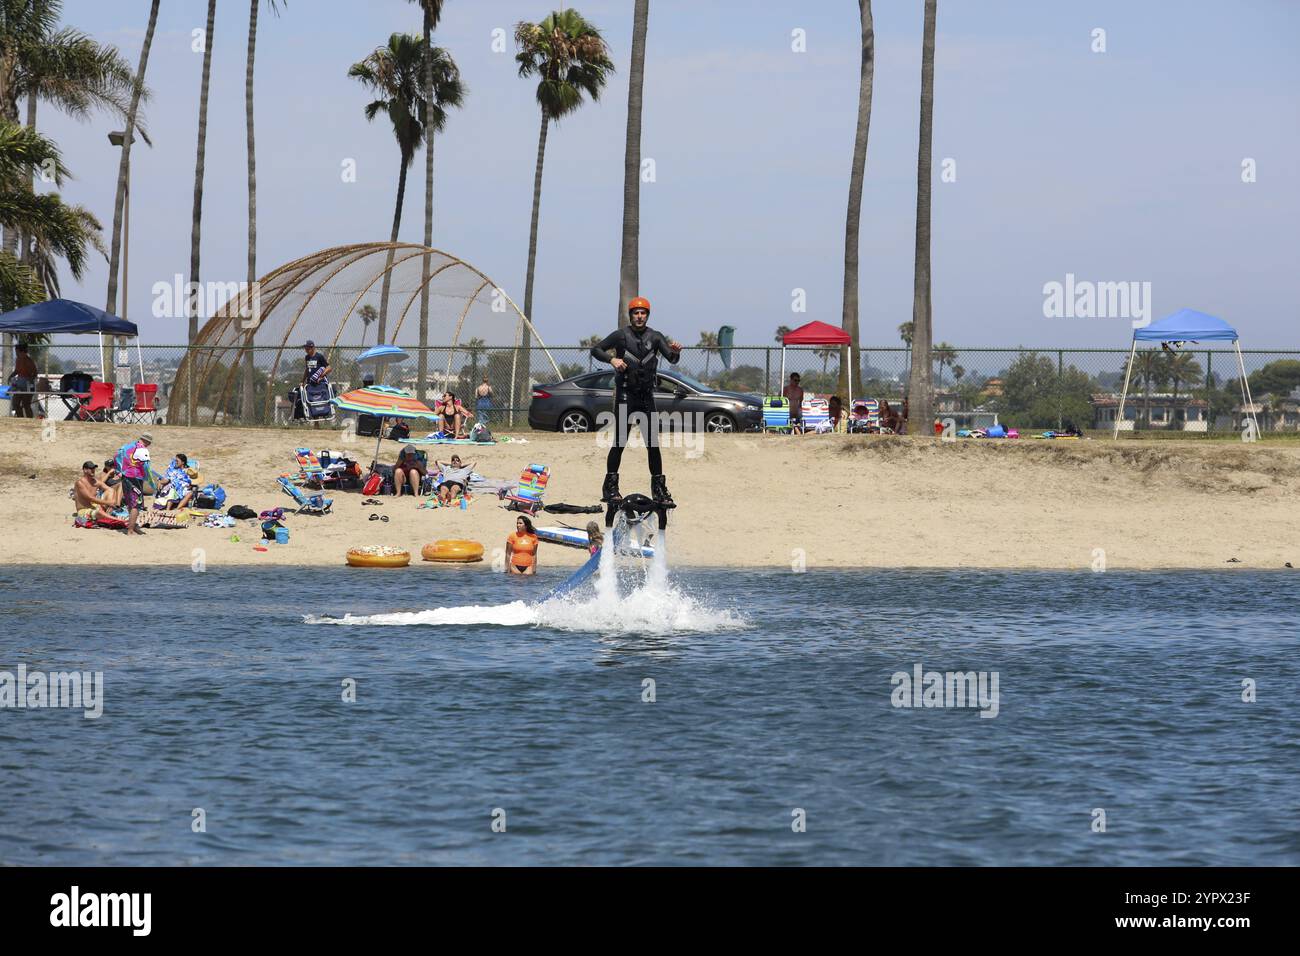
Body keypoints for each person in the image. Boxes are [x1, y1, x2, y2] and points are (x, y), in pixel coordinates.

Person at [589, 296, 683, 507]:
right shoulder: (620, 335)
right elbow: (596, 349)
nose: (639, 317)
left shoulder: (656, 336)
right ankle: (610, 487)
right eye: (635, 313)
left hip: (646, 397)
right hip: (625, 395)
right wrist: (612, 359)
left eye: (643, 313)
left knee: (653, 445)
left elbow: (672, 358)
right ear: (630, 315)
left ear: (647, 315)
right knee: (620, 442)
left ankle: (659, 490)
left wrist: (676, 352)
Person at [120, 432, 153, 536]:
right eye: (149, 443)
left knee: (130, 502)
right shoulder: (142, 449)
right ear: (147, 441)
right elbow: (146, 466)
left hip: (125, 476)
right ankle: (130, 530)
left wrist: (121, 469)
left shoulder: (127, 446)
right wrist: (148, 478)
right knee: (137, 505)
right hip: (135, 477)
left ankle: (133, 526)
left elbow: (117, 456)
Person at [8, 342, 37, 418]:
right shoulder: (18, 360)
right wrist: (10, 376)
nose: (16, 353)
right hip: (20, 383)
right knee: (15, 403)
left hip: (27, 384)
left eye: (16, 351)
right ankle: (20, 418)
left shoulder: (28, 360)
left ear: (21, 351)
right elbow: (17, 371)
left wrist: (29, 381)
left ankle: (30, 421)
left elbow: (35, 373)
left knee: (26, 404)